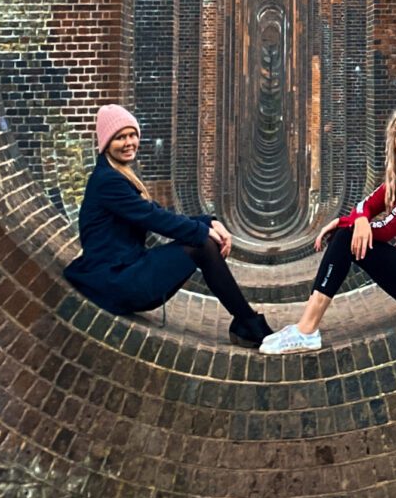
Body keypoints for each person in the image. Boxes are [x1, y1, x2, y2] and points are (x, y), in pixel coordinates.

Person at [62, 103, 274, 348]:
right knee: (202, 244)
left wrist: (209, 221)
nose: (129, 142)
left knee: (202, 240)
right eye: (120, 137)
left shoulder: (118, 174)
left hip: (123, 271)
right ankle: (247, 323)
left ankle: (246, 322)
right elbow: (155, 220)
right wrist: (203, 230)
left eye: (132, 135)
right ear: (106, 143)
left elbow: (156, 213)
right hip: (114, 281)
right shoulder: (109, 181)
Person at [260, 103, 396, 353]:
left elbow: (389, 228)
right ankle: (305, 325)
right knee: (348, 232)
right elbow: (364, 205)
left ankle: (307, 330)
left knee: (346, 237)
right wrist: (354, 220)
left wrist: (349, 224)